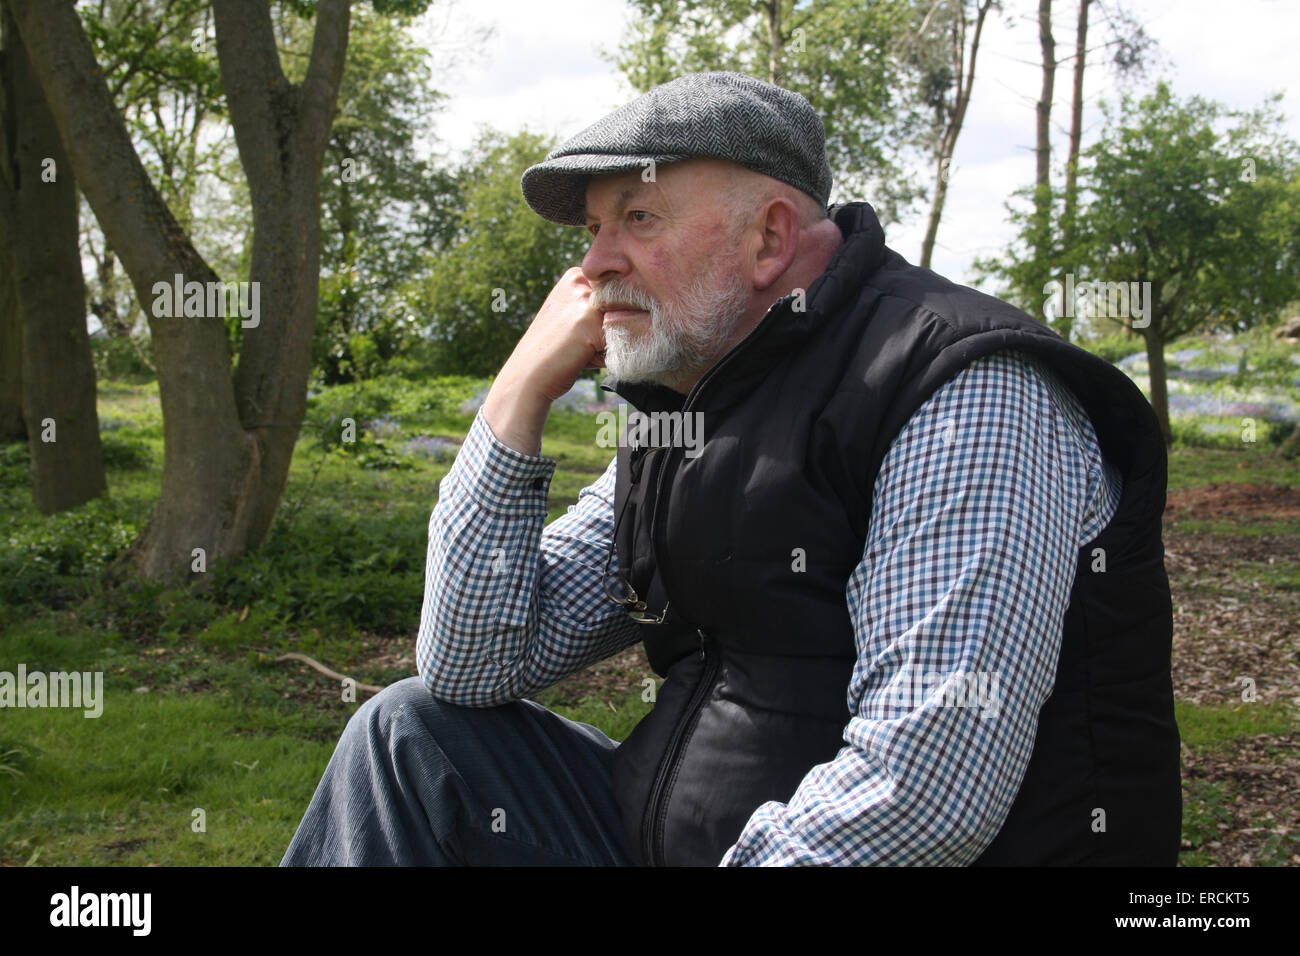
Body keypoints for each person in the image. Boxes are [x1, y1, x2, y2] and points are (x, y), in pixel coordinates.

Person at [281, 71, 1181, 867]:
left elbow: (924, 793)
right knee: (410, 738)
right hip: (676, 839)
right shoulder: (688, 405)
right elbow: (472, 665)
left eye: (636, 219)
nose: (592, 267)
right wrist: (516, 397)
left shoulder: (962, 387)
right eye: (593, 230)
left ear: (768, 239)